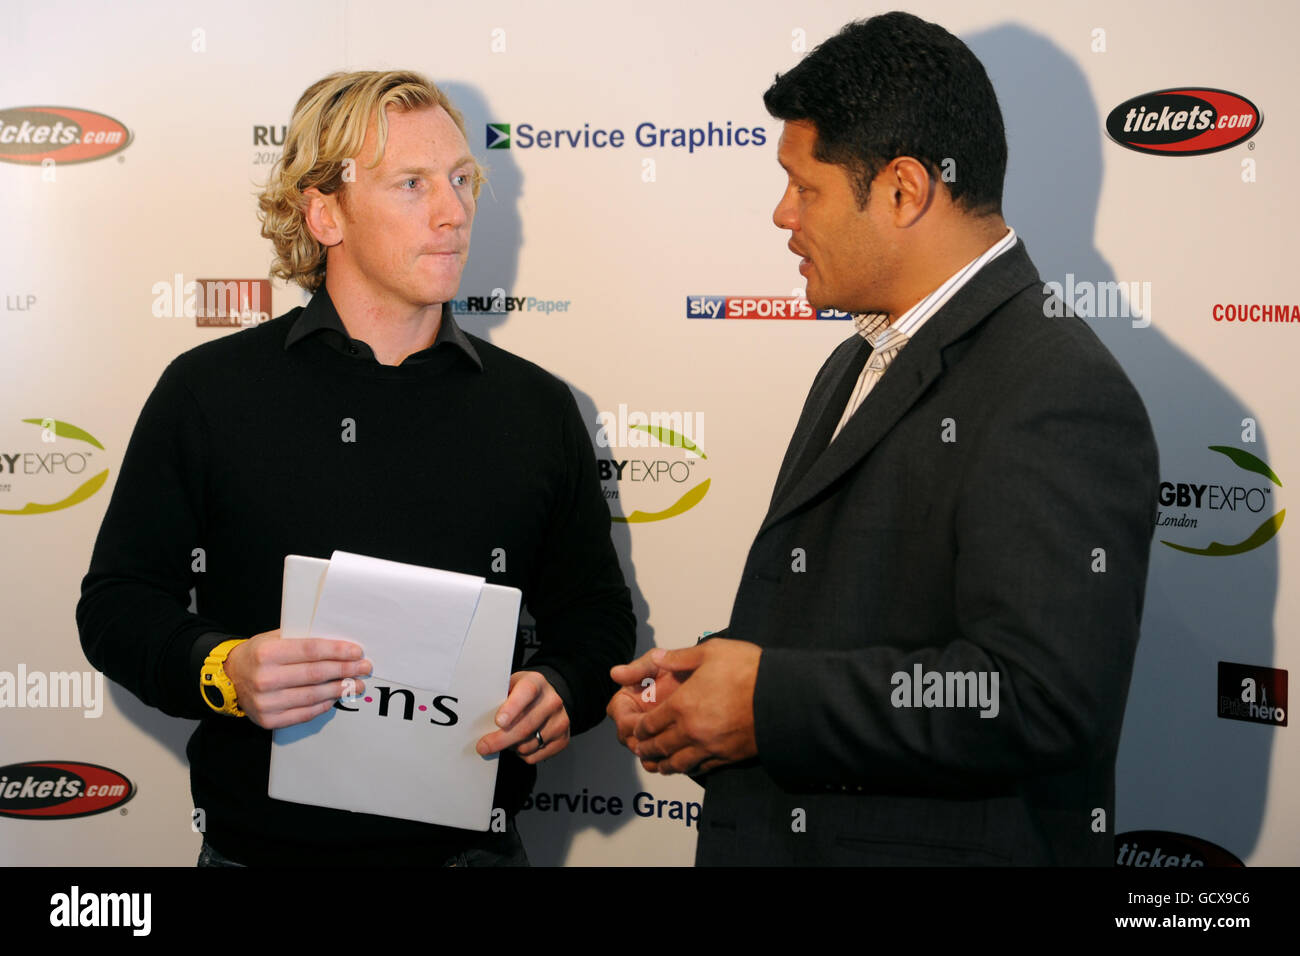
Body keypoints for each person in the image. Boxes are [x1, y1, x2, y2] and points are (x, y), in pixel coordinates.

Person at [608, 12, 1159, 865]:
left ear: (905, 190)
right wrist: (708, 681)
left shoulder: (1057, 386)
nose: (781, 213)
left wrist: (769, 703)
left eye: (807, 186)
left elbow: (1041, 698)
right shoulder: (855, 357)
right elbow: (855, 618)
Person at [78, 70, 634, 866]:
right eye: (412, 184)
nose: (454, 212)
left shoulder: (537, 408)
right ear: (324, 211)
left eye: (462, 180)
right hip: (260, 855)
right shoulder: (209, 392)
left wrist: (565, 688)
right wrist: (223, 668)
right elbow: (118, 605)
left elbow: (594, 617)